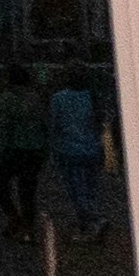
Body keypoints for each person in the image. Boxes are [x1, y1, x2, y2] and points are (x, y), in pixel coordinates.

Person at [0, 70, 48, 241]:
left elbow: (2, 128)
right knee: (27, 191)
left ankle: (13, 216)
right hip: (34, 150)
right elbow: (44, 124)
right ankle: (28, 229)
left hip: (14, 151)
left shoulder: (7, 98)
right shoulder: (35, 98)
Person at [48, 73, 107, 241]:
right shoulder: (92, 97)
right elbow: (99, 121)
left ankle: (92, 221)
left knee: (76, 189)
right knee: (90, 188)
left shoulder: (58, 98)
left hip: (69, 150)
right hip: (92, 149)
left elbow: (54, 125)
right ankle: (89, 224)